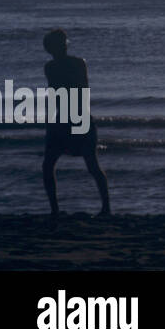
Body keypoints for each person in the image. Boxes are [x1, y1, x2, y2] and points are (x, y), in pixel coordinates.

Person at [41, 29, 110, 218]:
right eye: (60, 43)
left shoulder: (70, 65)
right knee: (50, 164)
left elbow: (76, 90)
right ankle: (55, 209)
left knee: (91, 164)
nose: (64, 46)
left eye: (63, 43)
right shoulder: (62, 66)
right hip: (68, 118)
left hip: (73, 117)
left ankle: (105, 208)